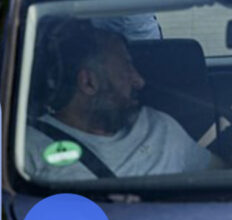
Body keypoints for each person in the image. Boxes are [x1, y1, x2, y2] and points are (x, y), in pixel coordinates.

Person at [25, 22, 213, 181]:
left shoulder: (159, 126)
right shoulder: (28, 149)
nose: (139, 81)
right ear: (88, 82)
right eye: (126, 68)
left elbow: (223, 175)